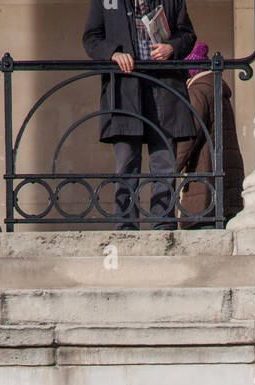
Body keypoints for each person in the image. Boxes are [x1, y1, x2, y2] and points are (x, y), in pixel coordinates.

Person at [83, 0, 197, 229]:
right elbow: (91, 38)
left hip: (164, 88)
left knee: (164, 163)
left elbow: (188, 35)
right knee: (126, 163)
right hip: (126, 91)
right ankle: (126, 226)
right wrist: (113, 54)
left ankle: (163, 224)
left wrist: (171, 47)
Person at [175, 41, 245, 224]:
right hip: (223, 172)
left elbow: (190, 135)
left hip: (204, 176)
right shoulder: (216, 88)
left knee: (200, 225)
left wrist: (170, 167)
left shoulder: (199, 90)